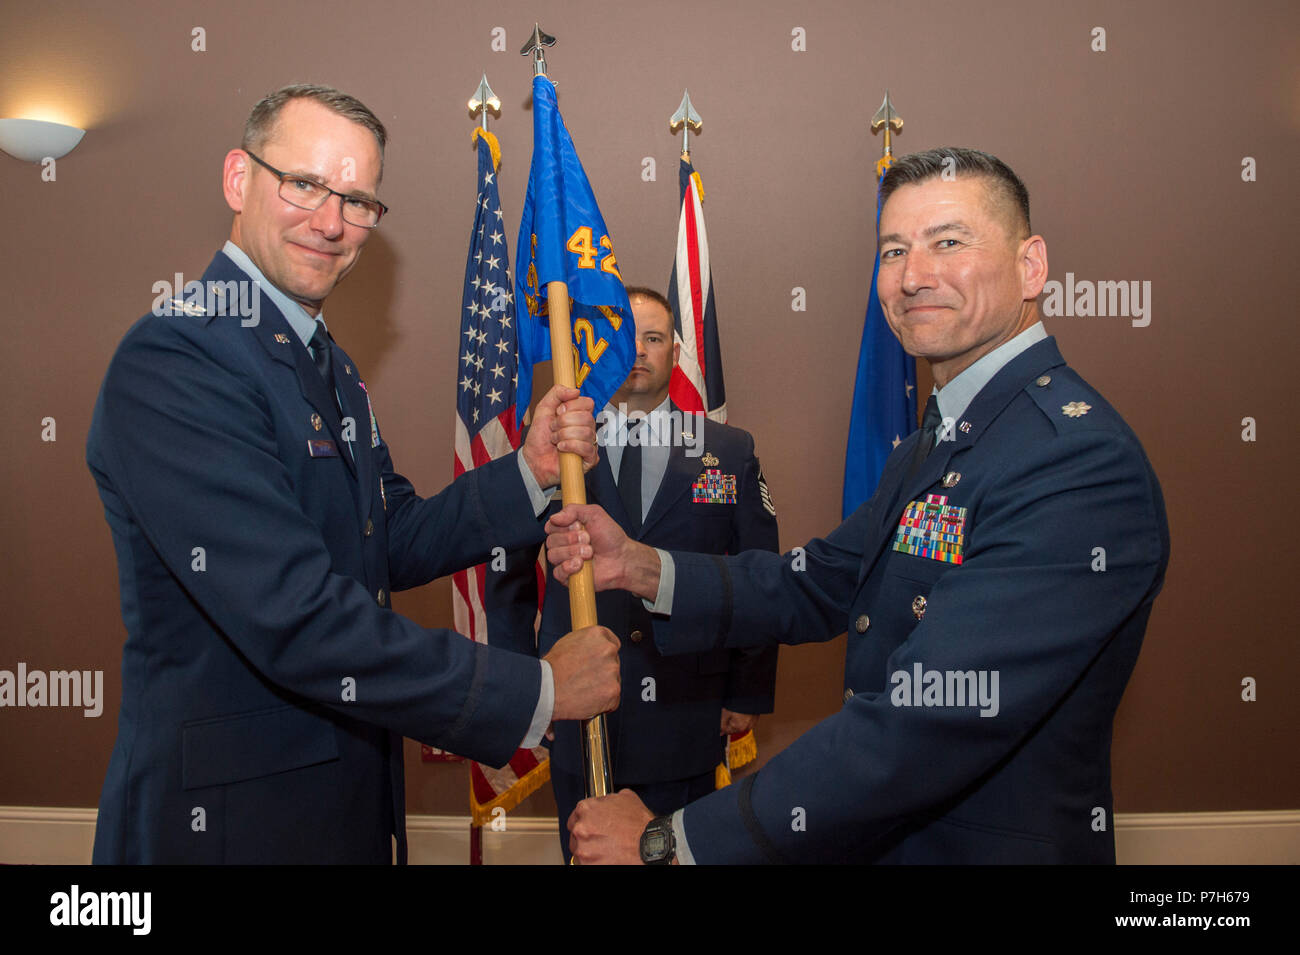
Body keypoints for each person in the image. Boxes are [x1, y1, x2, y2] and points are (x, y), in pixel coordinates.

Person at [546, 148, 1170, 864]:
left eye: (949, 242)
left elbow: (920, 724)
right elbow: (815, 580)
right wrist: (640, 565)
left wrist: (671, 838)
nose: (914, 275)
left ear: (1032, 267)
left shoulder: (1074, 461)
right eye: (894, 249)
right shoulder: (931, 445)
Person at [85, 84, 620, 864]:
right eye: (303, 184)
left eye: (359, 200)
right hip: (230, 832)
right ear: (239, 179)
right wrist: (535, 693)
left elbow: (387, 536)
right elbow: (295, 614)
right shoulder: (180, 355)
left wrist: (529, 470)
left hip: (346, 807)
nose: (331, 222)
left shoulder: (326, 361)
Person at [489, 287, 779, 861]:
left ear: (674, 352)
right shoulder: (556, 448)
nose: (640, 352)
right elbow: (510, 575)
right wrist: (525, 688)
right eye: (627, 338)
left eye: (653, 339)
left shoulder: (727, 451)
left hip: (685, 705)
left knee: (676, 849)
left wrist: (745, 689)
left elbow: (759, 578)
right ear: (600, 349)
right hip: (579, 702)